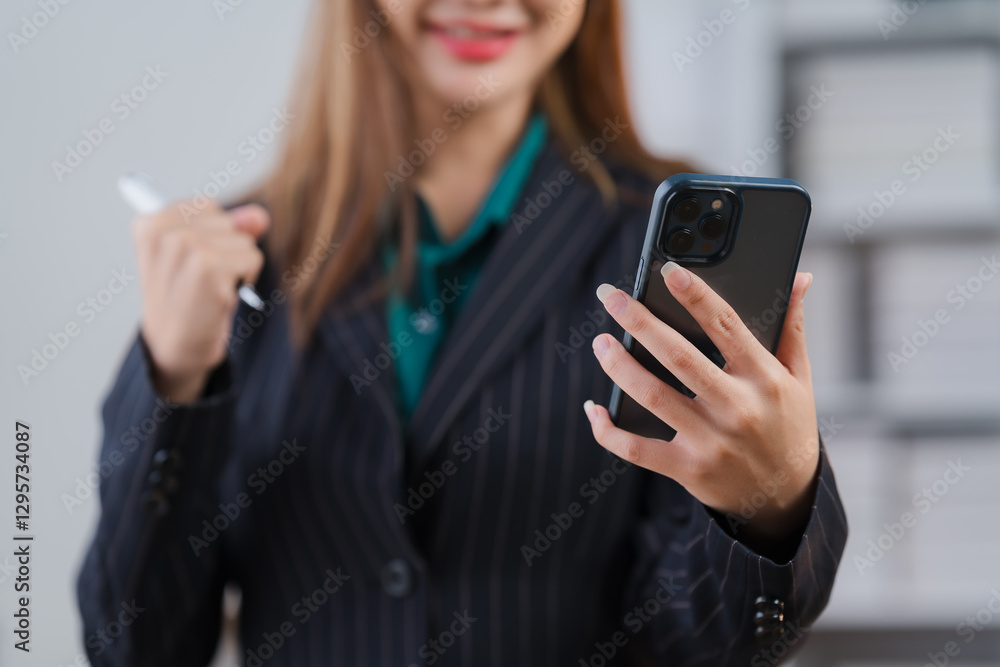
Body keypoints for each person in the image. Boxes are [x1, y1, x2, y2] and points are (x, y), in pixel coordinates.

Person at [78, 0, 847, 664]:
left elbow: (708, 645)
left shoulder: (663, 260)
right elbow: (135, 645)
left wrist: (769, 506)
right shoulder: (239, 262)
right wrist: (175, 378)